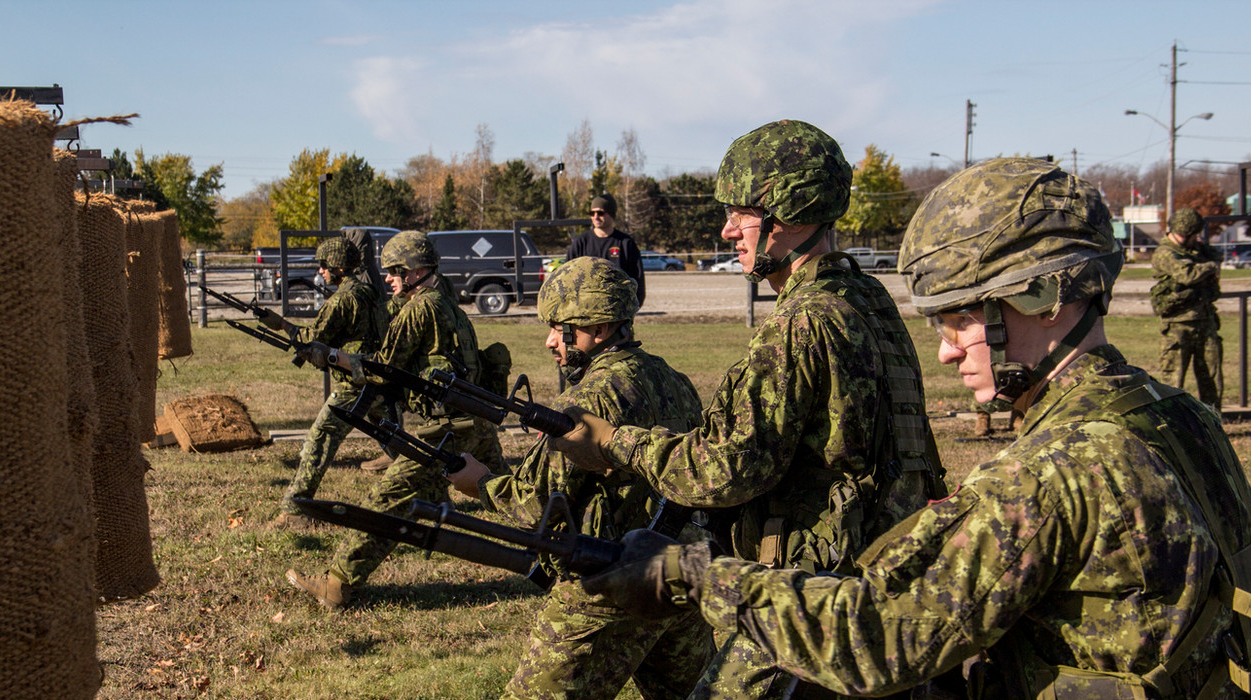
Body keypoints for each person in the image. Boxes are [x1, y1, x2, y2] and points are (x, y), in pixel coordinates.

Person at [582, 158, 1251, 699]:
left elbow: (875, 641)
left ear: (1046, 299)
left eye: (964, 316)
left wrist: (689, 573)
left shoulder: (1053, 472)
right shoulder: (1176, 414)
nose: (945, 347)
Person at [549, 120, 944, 698]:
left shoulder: (802, 320)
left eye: (742, 212)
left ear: (788, 213)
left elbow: (723, 470)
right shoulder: (868, 298)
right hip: (880, 574)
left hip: (806, 593)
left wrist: (614, 442)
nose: (728, 228)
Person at [447, 256, 713, 700]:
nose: (551, 341)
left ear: (601, 329)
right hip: (679, 574)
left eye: (561, 328)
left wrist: (480, 484)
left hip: (610, 584)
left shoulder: (590, 396)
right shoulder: (673, 378)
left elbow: (540, 504)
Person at [286, 229, 504, 609]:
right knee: (508, 494)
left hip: (445, 430)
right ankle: (567, 544)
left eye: (394, 270)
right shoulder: (447, 302)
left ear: (415, 271)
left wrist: (333, 356)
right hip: (474, 422)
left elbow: (383, 369)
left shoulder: (419, 308)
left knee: (384, 500)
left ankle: (337, 584)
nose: (387, 277)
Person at [263, 238, 389, 529]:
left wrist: (280, 324)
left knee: (319, 439)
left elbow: (311, 339)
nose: (320, 271)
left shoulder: (342, 300)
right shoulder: (369, 292)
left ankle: (295, 509)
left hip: (355, 386)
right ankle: (436, 496)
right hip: (377, 381)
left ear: (339, 267)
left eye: (324, 266)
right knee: (395, 442)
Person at [1151, 207, 1224, 410]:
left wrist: (1211, 259)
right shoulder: (1165, 252)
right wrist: (1211, 266)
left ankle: (1213, 421)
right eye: (1182, 235)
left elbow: (1218, 254)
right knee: (1173, 379)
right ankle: (1175, 425)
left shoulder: (1198, 250)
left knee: (1212, 376)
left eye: (1189, 235)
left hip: (1205, 320)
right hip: (1177, 324)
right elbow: (1186, 274)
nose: (1185, 239)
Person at [565, 193, 646, 306]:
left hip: (617, 310)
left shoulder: (626, 243)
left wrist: (633, 307)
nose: (596, 216)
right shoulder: (581, 243)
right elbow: (567, 276)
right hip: (586, 309)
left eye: (601, 213)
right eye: (592, 213)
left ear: (611, 214)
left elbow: (638, 279)